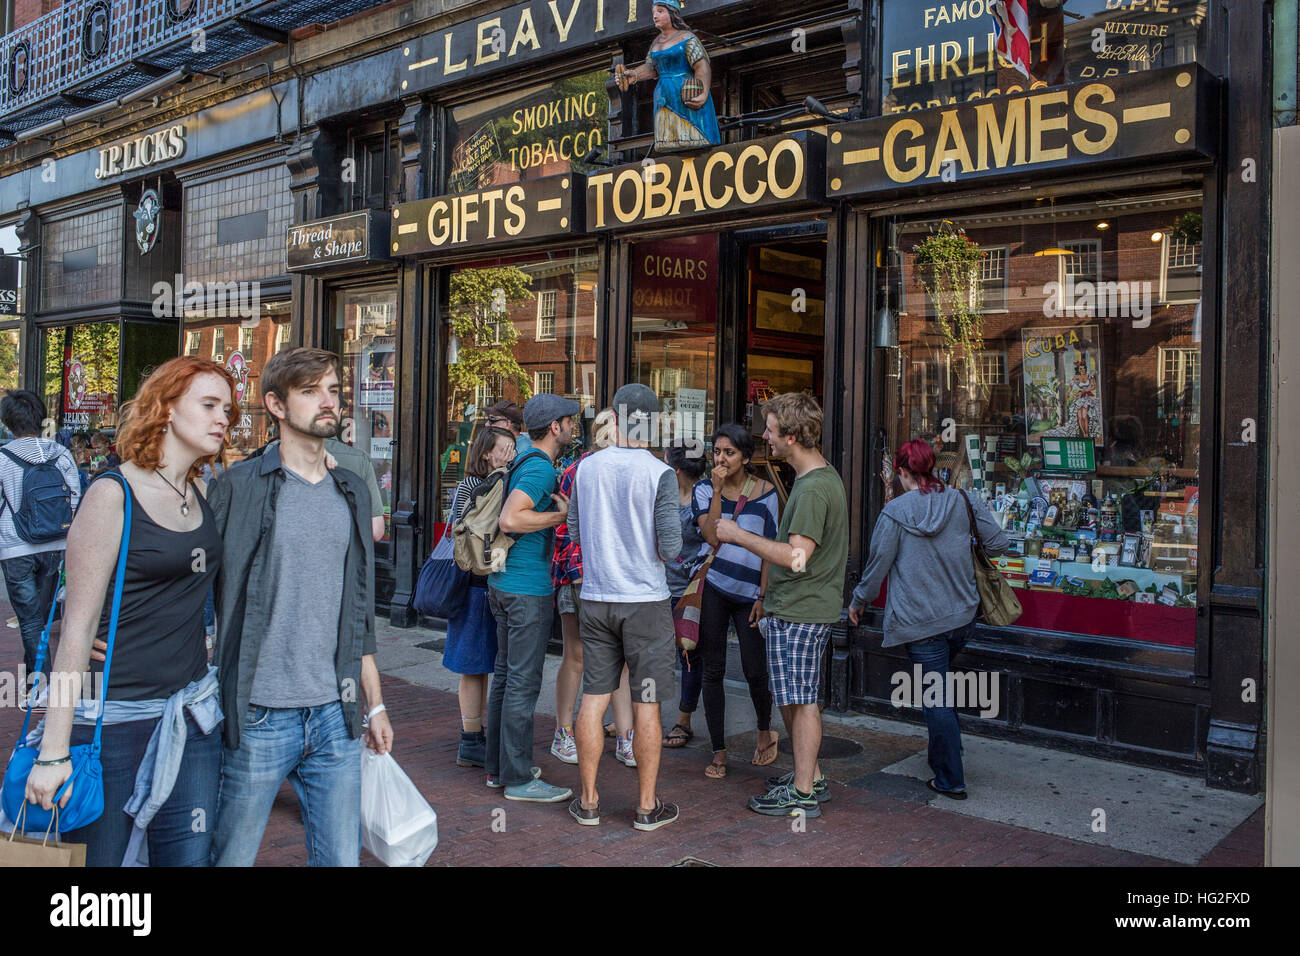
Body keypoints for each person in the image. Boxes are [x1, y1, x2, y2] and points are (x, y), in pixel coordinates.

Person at [23, 357, 236, 866]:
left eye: (227, 408)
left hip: (190, 715)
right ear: (164, 410)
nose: (223, 418)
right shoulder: (111, 495)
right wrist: (53, 753)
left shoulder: (204, 491)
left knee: (188, 857)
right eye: (208, 405)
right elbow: (76, 631)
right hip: (112, 720)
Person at [207, 348, 394, 866]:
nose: (328, 402)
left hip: (335, 714)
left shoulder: (353, 490)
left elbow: (359, 614)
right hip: (257, 715)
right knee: (232, 857)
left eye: (333, 390)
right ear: (276, 404)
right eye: (310, 391)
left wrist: (373, 705)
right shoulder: (239, 487)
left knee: (339, 860)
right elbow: (190, 582)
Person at [848, 438, 1009, 800]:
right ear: (933, 467)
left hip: (921, 624)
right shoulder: (963, 500)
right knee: (939, 691)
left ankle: (951, 778)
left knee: (936, 697)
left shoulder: (895, 512)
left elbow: (876, 569)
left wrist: (858, 601)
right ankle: (944, 756)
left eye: (901, 474)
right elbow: (999, 543)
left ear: (903, 472)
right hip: (962, 617)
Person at [714, 393, 849, 818]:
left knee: (802, 700)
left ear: (791, 436)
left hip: (803, 609)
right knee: (793, 696)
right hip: (796, 606)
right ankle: (810, 777)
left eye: (771, 429)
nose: (765, 437)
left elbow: (796, 556)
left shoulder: (812, 489)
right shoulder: (816, 481)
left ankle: (804, 793)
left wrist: (738, 536)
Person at [568, 383, 683, 830]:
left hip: (596, 599)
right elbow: (671, 548)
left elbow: (575, 534)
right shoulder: (659, 473)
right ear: (652, 421)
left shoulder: (586, 469)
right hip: (646, 606)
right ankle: (646, 807)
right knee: (647, 703)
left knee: (594, 699)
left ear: (614, 418)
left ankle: (590, 801)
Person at [485, 393, 575, 802]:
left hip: (505, 586)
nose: (575, 426)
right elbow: (511, 517)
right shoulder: (538, 468)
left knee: (505, 678)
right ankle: (519, 780)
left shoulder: (524, 459)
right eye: (570, 421)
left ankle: (499, 767)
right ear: (555, 427)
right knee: (522, 682)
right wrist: (561, 516)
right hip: (525, 591)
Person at [550, 409, 637, 768]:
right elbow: (562, 532)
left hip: (618, 579)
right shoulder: (578, 470)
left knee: (622, 661)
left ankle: (626, 737)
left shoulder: (631, 470)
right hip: (582, 577)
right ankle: (563, 732)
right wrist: (578, 574)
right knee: (577, 655)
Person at [692, 424, 780, 777]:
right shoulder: (703, 489)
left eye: (729, 452)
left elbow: (770, 551)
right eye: (716, 452)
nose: (721, 458)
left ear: (746, 457)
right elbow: (712, 537)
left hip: (749, 595)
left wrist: (763, 594)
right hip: (714, 586)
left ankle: (763, 732)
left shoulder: (768, 493)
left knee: (754, 669)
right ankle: (719, 751)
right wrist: (716, 492)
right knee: (711, 670)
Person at [444, 425, 515, 768]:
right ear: (487, 452)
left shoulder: (472, 485)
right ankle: (470, 739)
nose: (511, 453)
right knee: (474, 664)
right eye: (505, 447)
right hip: (476, 583)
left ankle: (473, 736)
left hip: (478, 581)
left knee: (480, 664)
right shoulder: (481, 485)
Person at [0, 390, 82, 685]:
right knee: (43, 617)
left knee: (30, 619)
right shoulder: (61, 454)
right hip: (55, 546)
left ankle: (41, 683)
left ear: (8, 423)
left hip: (14, 548)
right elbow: (75, 497)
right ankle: (40, 676)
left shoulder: (3, 458)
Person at [661, 439, 708, 749]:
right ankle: (638, 715)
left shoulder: (704, 499)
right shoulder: (662, 496)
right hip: (658, 588)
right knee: (652, 655)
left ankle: (684, 719)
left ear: (676, 469)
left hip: (690, 592)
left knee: (689, 655)